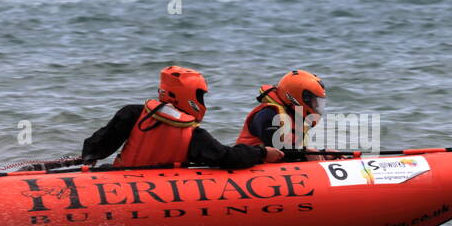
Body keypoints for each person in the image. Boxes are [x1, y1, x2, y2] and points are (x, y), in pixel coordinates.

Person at [80, 66, 284, 168]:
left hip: (120, 183)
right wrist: (261, 153)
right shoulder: (193, 135)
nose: (202, 101)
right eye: (200, 96)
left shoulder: (132, 114)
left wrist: (87, 164)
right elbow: (227, 158)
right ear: (188, 96)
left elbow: (97, 146)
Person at [235, 70, 327, 157]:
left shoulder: (294, 116)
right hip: (248, 166)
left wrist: (324, 154)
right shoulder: (268, 115)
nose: (316, 107)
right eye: (314, 102)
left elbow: (294, 149)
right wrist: (307, 154)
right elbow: (278, 151)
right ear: (298, 99)